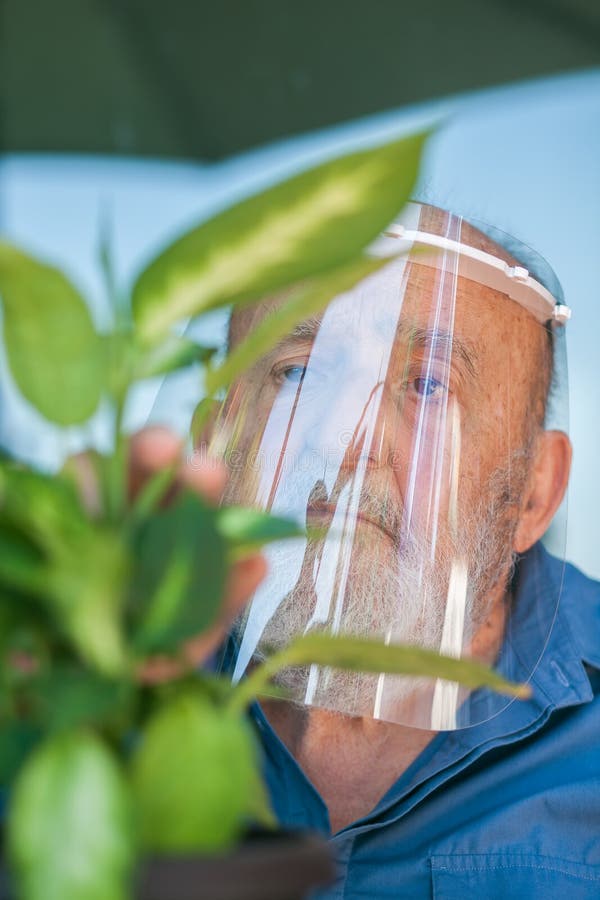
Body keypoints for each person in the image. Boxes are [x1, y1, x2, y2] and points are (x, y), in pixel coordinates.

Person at [142, 202, 600, 898]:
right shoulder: (95, 680)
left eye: (428, 384)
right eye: (297, 373)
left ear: (534, 494)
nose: (341, 437)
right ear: (215, 445)